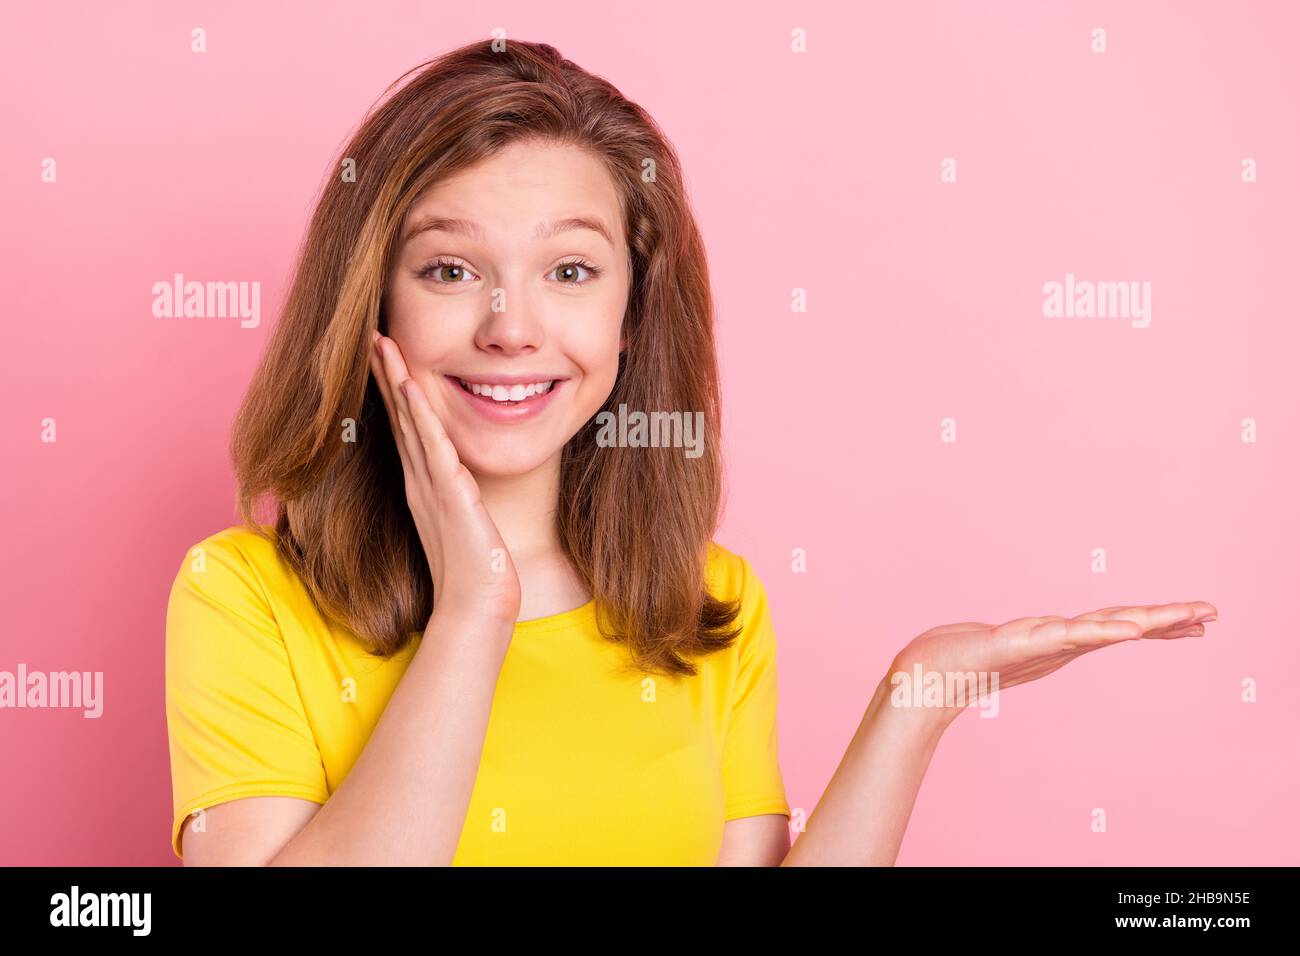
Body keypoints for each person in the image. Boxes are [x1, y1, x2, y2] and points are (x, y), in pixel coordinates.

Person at [164, 38, 1216, 866]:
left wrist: (919, 693)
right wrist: (473, 610)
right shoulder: (242, 597)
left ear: (630, 316)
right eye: (449, 269)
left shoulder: (707, 601)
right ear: (371, 302)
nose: (511, 327)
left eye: (569, 272)